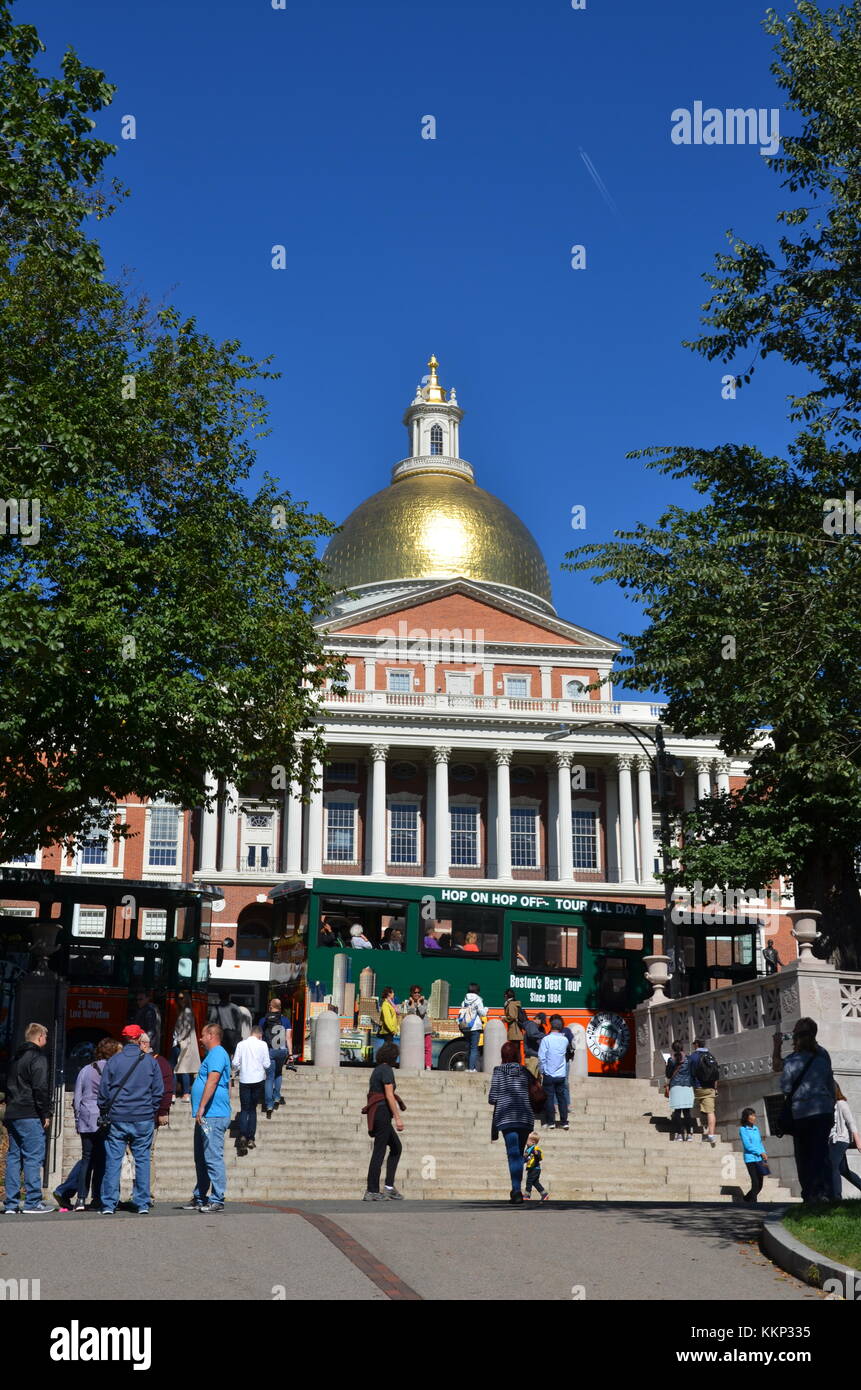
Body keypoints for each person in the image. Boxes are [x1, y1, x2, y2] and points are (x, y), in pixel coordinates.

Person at [98, 1023, 163, 1215]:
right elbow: (158, 1091)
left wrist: (105, 1109)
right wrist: (150, 1109)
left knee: (113, 1160)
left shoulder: (114, 1061)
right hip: (143, 1116)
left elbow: (104, 1091)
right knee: (142, 1159)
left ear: (125, 1038)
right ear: (139, 1038)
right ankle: (142, 1202)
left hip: (118, 1116)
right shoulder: (150, 1061)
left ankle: (109, 1203)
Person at [54, 1037, 122, 1211]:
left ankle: (80, 1200)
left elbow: (77, 1096)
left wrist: (77, 1118)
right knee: (101, 1160)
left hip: (86, 1117)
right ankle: (97, 1198)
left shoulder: (85, 1069)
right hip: (104, 1118)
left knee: (86, 1159)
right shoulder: (114, 1070)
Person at [773, 1017, 835, 1203]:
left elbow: (784, 1086)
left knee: (804, 1155)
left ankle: (810, 1194)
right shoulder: (823, 1055)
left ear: (797, 1037)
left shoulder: (793, 1060)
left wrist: (776, 1045)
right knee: (821, 1153)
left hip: (801, 1113)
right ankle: (826, 1193)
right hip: (823, 1111)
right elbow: (830, 1082)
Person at [3, 1022, 54, 1215]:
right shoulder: (37, 1058)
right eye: (46, 1037)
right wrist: (45, 1113)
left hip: (13, 1111)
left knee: (14, 1157)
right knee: (33, 1157)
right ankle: (33, 1201)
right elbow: (40, 1087)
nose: (46, 1041)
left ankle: (11, 1203)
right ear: (40, 1037)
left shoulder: (15, 1058)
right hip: (29, 1112)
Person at [183, 1022, 231, 1212]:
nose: (201, 1039)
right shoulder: (212, 1055)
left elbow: (213, 1080)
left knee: (212, 1157)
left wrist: (202, 1106)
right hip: (207, 1115)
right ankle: (200, 1196)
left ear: (211, 1035)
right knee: (202, 1158)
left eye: (203, 1035)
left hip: (213, 1114)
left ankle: (217, 1198)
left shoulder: (218, 1053)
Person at [488, 1040, 533, 1203]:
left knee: (513, 1154)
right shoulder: (525, 1071)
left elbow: (492, 1098)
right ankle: (517, 1190)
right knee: (519, 1154)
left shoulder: (498, 1071)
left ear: (503, 1056)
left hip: (507, 1116)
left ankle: (516, 1191)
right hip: (525, 1117)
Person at [362, 1041, 405, 1201]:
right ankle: (372, 1190)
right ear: (393, 1057)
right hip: (382, 1112)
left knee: (396, 1147)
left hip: (378, 1111)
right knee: (379, 1151)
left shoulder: (378, 1070)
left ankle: (388, 1187)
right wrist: (398, 1118)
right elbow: (389, 1094)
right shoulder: (386, 1070)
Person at [140, 1034, 174, 1205]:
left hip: (150, 1116)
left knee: (147, 1155)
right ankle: (142, 1193)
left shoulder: (160, 1062)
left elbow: (167, 1089)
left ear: (145, 1044)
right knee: (143, 1156)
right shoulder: (135, 1060)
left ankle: (147, 1195)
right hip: (135, 1115)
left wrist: (163, 1111)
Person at [232, 1025, 271, 1155]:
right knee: (253, 1109)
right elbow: (267, 1064)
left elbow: (235, 1063)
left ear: (251, 1033)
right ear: (259, 1035)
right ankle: (251, 1138)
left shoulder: (241, 1044)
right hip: (258, 1079)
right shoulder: (263, 1045)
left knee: (244, 1108)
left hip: (244, 1079)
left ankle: (242, 1135)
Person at [260, 998, 293, 1117]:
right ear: (280, 1007)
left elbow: (260, 1037)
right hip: (282, 1050)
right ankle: (277, 1097)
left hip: (269, 1051)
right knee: (278, 1073)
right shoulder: (285, 1020)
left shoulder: (264, 1020)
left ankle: (269, 1105)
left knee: (269, 1077)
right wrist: (290, 1054)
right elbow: (288, 1038)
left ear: (270, 1007)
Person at [538, 1015, 570, 1130]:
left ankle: (551, 1122)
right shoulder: (565, 1040)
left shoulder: (546, 1039)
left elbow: (542, 1057)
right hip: (561, 1074)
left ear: (551, 1027)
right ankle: (564, 1121)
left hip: (549, 1073)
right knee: (562, 1098)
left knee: (549, 1098)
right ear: (561, 1027)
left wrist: (542, 1071)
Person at [829, 1085, 861, 1199]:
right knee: (843, 1170)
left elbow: (851, 1122)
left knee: (833, 1167)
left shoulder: (841, 1103)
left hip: (840, 1140)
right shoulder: (829, 1105)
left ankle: (836, 1198)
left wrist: (858, 1141)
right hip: (831, 1140)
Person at [689, 1037, 719, 1145]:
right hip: (710, 1088)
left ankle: (689, 1133)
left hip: (698, 1088)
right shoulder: (711, 1056)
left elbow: (689, 1073)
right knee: (710, 1112)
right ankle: (711, 1135)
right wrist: (715, 1088)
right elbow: (716, 1074)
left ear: (696, 1044)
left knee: (691, 1109)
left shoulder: (693, 1057)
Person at [172, 991, 200, 1101]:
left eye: (182, 998)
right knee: (182, 1068)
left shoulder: (187, 1011)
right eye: (178, 998)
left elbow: (187, 1028)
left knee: (180, 1068)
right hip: (182, 1043)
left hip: (183, 1044)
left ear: (187, 999)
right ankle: (184, 1093)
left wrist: (179, 1040)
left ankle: (184, 1094)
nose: (180, 1000)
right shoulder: (184, 1011)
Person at [665, 1041, 695, 1141]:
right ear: (682, 1048)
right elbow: (692, 1072)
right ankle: (689, 1134)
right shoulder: (689, 1059)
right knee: (687, 1112)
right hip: (687, 1086)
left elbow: (668, 1075)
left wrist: (667, 1064)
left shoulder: (671, 1059)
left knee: (677, 1112)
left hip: (676, 1086)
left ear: (673, 1048)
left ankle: (679, 1134)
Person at [739, 1107, 768, 1203]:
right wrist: (760, 1152)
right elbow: (747, 1145)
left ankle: (747, 1198)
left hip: (759, 1159)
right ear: (746, 1117)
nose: (754, 1117)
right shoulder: (743, 1129)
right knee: (755, 1182)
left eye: (754, 1115)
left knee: (760, 1184)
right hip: (750, 1159)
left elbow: (759, 1143)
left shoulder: (756, 1129)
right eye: (751, 1115)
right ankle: (754, 1203)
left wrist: (764, 1153)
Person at [458, 984, 487, 1073]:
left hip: (466, 1026)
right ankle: (471, 1068)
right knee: (474, 1048)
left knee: (469, 1048)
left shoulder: (465, 1000)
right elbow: (482, 1013)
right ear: (477, 991)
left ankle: (468, 1067)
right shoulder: (478, 1000)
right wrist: (486, 1009)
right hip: (475, 1027)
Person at [403, 985, 433, 1069]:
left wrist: (419, 1003)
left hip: (425, 1028)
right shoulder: (408, 1003)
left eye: (418, 992)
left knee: (427, 1048)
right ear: (411, 994)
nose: (417, 994)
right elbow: (411, 1014)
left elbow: (422, 1012)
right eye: (415, 992)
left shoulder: (425, 1002)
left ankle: (428, 1066)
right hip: (414, 1031)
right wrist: (412, 1003)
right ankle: (415, 1065)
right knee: (415, 1048)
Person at [523, 1132, 549, 1201]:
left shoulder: (535, 1148)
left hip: (535, 1168)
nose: (525, 1141)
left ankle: (527, 1195)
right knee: (535, 1182)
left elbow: (540, 1156)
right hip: (531, 1168)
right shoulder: (527, 1149)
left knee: (529, 1181)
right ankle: (544, 1194)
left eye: (527, 1140)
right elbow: (526, 1158)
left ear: (533, 1142)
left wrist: (537, 1154)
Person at [502, 988, 526, 1057]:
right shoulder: (515, 1003)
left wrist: (504, 1019)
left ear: (506, 996)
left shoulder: (511, 1004)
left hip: (514, 1030)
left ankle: (516, 1065)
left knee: (515, 1051)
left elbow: (512, 1016)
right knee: (516, 1050)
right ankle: (517, 1064)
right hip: (517, 1029)